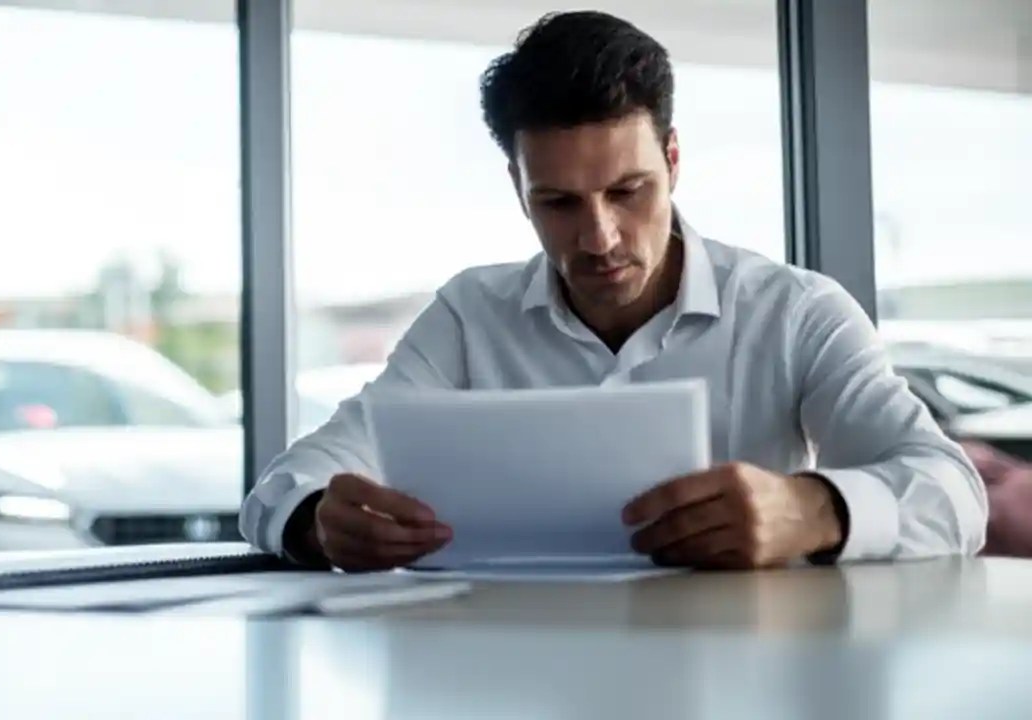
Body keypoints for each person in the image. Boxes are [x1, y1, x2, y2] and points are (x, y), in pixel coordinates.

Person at [239, 11, 987, 571]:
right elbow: (286, 485)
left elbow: (954, 494)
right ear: (518, 187)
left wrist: (814, 510)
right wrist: (316, 521)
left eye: (629, 191)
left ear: (673, 160)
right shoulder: (469, 316)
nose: (599, 237)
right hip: (508, 672)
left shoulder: (797, 313)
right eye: (559, 203)